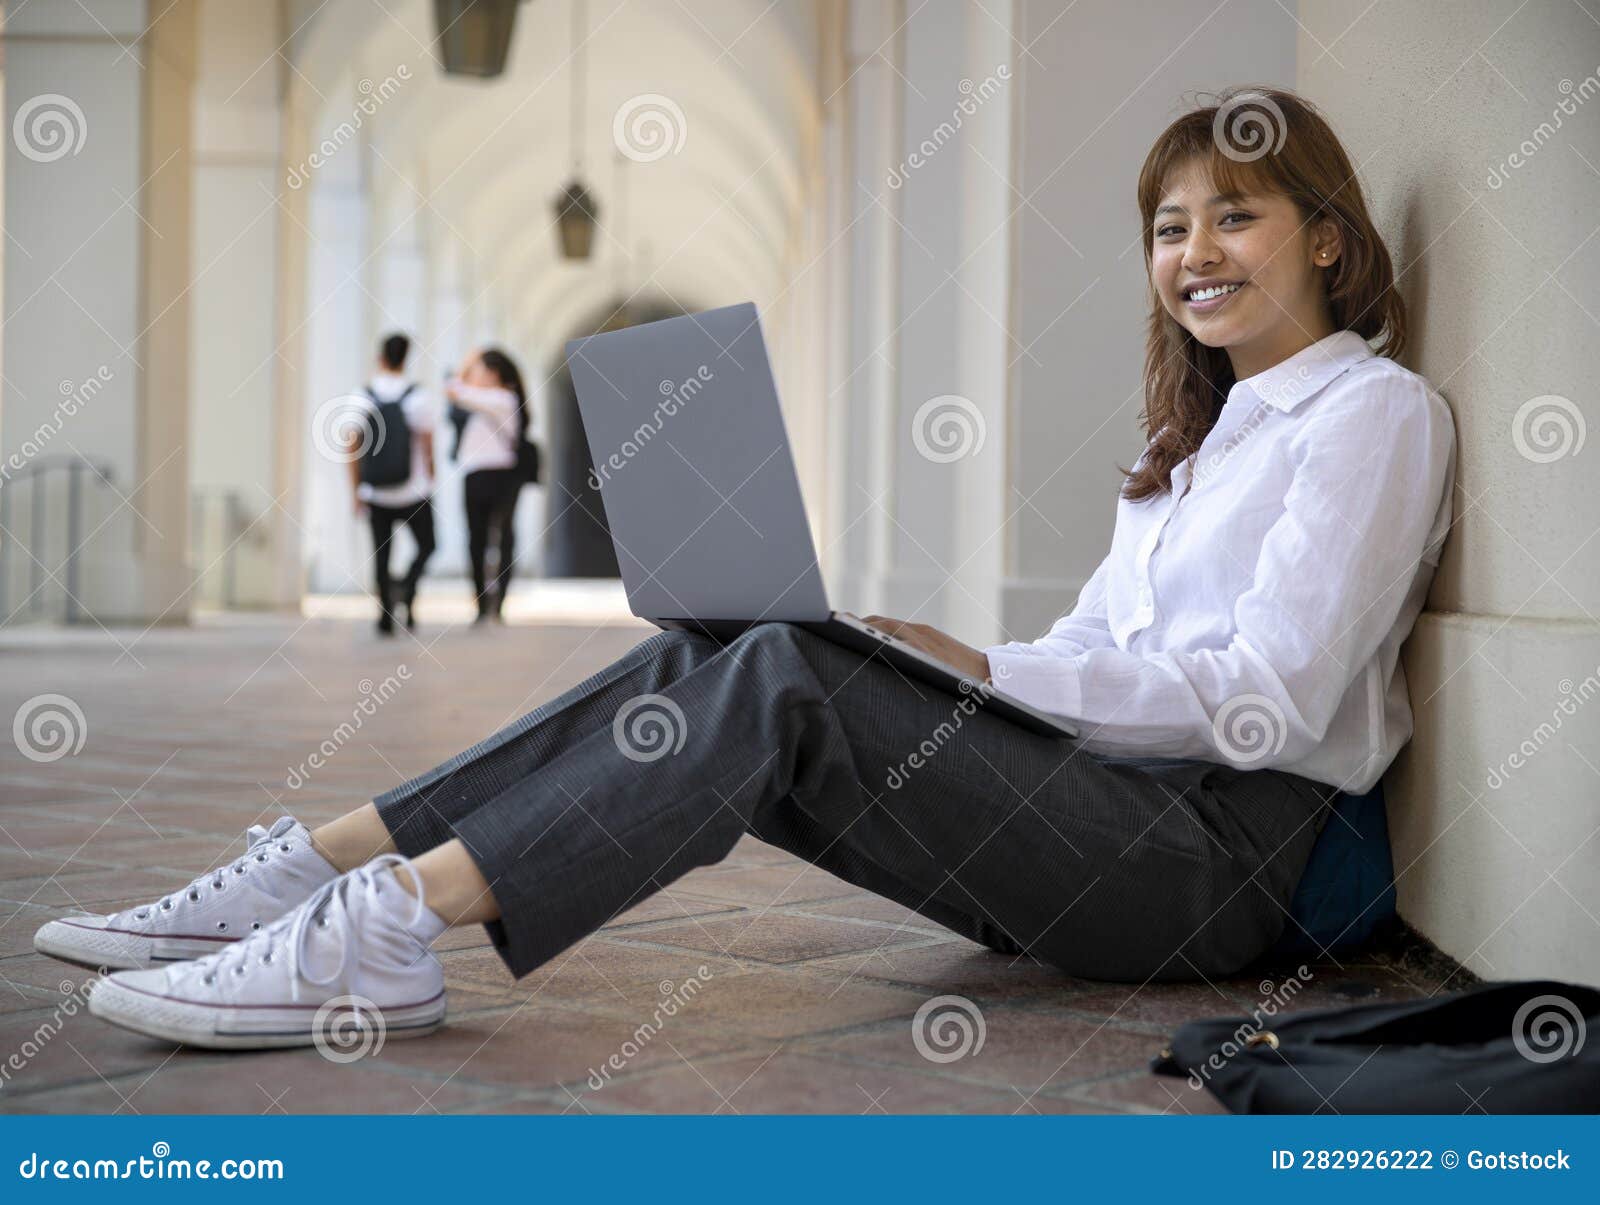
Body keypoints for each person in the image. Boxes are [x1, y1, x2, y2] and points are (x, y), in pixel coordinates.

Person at [37, 86, 1456, 1051]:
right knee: (727, 646)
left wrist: (984, 673)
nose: (1194, 253)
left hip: (1212, 869)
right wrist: (931, 662)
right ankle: (319, 872)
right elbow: (1101, 641)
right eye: (1168, 225)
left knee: (783, 674)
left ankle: (398, 930)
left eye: (1235, 217)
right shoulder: (1187, 444)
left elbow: (1270, 693)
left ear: (1325, 236)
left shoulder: (1370, 417)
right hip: (1103, 818)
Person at [347, 332, 436, 635]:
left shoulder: (363, 394)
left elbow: (352, 446)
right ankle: (407, 587)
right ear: (405, 359)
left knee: (381, 555)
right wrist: (432, 475)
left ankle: (385, 617)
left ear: (380, 358)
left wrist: (356, 491)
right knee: (428, 546)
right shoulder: (418, 396)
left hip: (375, 491)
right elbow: (427, 444)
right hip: (414, 490)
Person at [446, 347, 528, 624]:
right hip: (476, 474)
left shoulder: (503, 398)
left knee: (500, 537)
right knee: (478, 539)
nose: (474, 375)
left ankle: (496, 602)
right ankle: (483, 602)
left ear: (492, 374)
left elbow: (455, 388)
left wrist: (469, 361)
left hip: (500, 475)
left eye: (479, 370)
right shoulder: (483, 402)